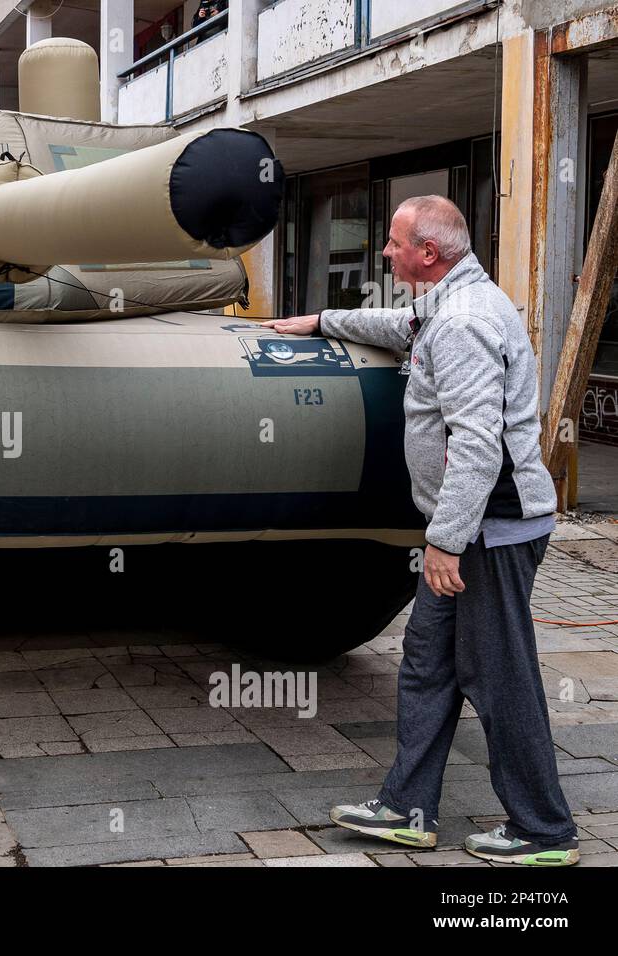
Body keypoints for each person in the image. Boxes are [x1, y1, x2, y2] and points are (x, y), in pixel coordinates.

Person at [263, 195, 579, 866]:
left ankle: (544, 830)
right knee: (427, 665)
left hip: (490, 530)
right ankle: (407, 810)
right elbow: (401, 324)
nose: (385, 251)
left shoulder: (463, 322)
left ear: (427, 255)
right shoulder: (448, 304)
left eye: (395, 242)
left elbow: (476, 445)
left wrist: (444, 541)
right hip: (473, 528)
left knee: (499, 677)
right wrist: (322, 321)